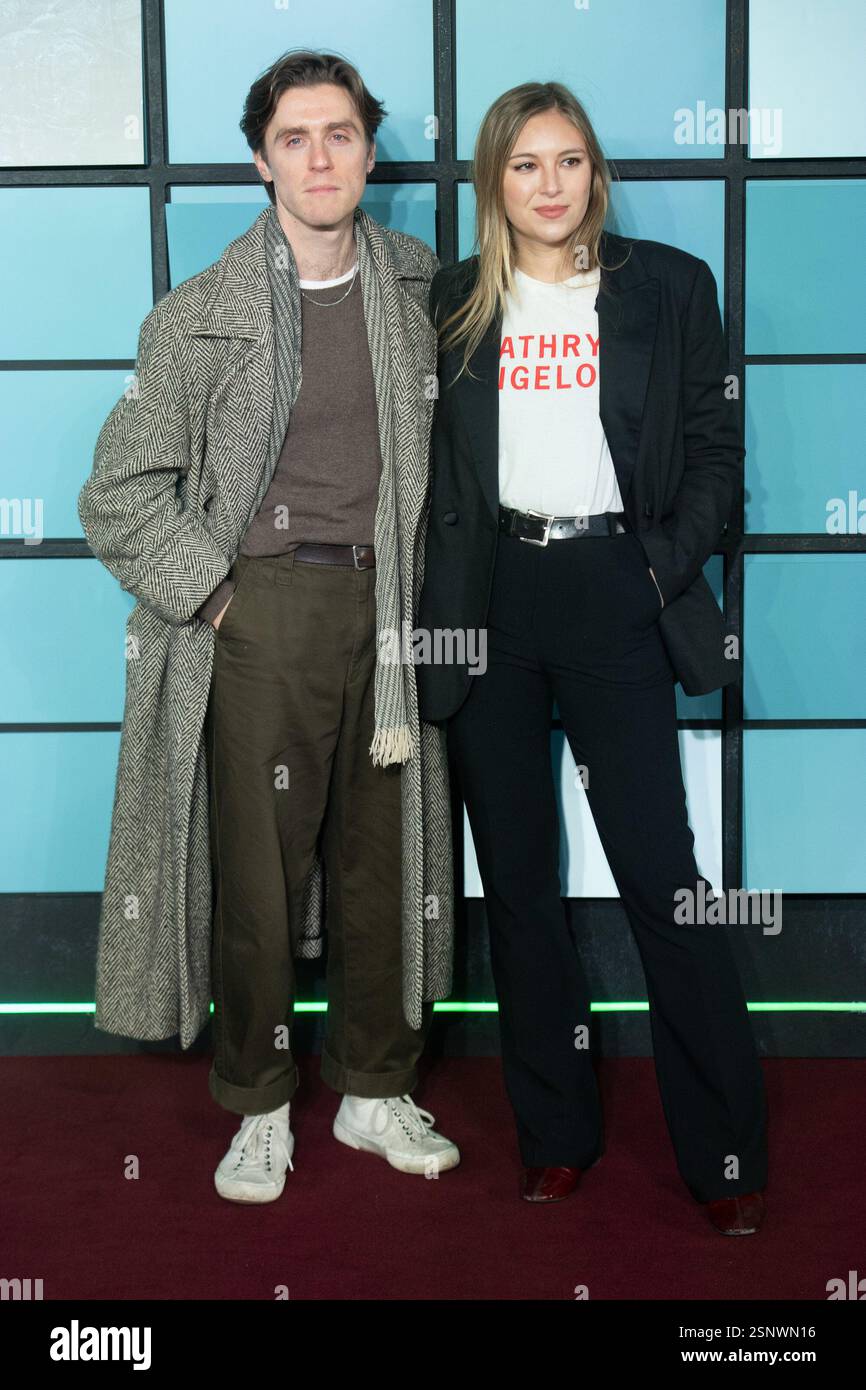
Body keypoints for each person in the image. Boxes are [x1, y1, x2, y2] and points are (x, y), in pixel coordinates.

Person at [78, 49, 458, 1204]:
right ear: (260, 158)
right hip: (260, 608)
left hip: (391, 608)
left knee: (381, 862)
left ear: (369, 150)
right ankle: (257, 1104)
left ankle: (374, 1090)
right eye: (294, 138)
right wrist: (223, 599)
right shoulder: (200, 314)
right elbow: (118, 492)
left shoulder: (418, 284)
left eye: (339, 133)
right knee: (254, 874)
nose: (319, 156)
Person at [415, 81, 767, 1234]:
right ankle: (554, 1135)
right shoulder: (454, 301)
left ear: (594, 173)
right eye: (524, 165)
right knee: (517, 887)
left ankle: (723, 1156)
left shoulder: (666, 287)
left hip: (617, 589)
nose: (549, 184)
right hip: (494, 602)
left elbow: (716, 454)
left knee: (664, 879)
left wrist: (657, 569)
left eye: (567, 160)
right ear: (492, 183)